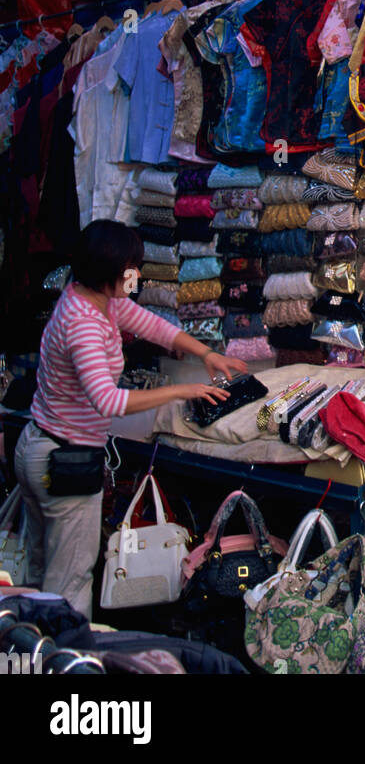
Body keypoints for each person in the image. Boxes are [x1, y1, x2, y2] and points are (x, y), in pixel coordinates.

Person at [14, 219, 247, 617]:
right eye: (132, 268)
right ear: (112, 274)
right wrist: (182, 390)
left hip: (41, 447)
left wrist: (207, 354)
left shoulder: (90, 297)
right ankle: (68, 661)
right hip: (62, 461)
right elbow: (107, 400)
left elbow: (152, 326)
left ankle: (28, 649)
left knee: (38, 568)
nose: (137, 275)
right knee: (69, 581)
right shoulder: (83, 325)